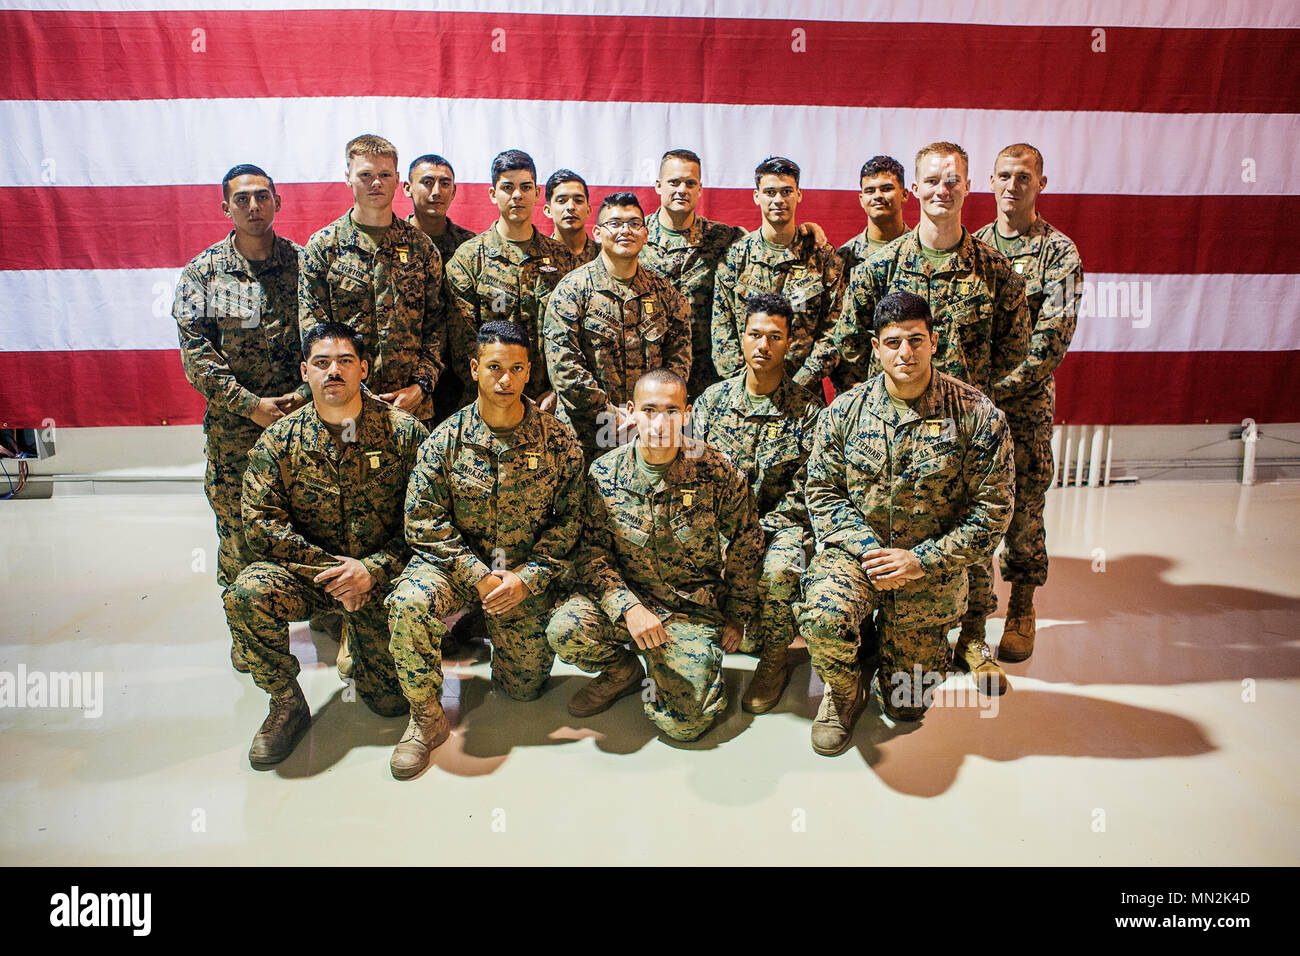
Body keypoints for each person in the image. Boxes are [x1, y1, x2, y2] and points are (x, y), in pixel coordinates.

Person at [831, 141, 1031, 693]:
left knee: (973, 529)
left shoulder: (994, 270)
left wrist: (979, 409)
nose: (943, 190)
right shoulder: (879, 268)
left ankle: (973, 638)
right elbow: (848, 342)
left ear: (968, 186)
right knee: (893, 521)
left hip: (964, 428)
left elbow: (1014, 351)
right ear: (914, 189)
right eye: (933, 181)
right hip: (891, 428)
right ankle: (881, 625)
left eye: (953, 180)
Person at [796, 292, 1014, 755]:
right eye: (893, 342)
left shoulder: (977, 415)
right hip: (859, 557)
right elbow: (822, 491)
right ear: (876, 348)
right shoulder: (844, 412)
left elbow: (993, 511)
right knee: (823, 616)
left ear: (934, 342)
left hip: (928, 567)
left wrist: (920, 560)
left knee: (906, 706)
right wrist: (869, 551)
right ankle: (844, 690)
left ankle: (887, 645)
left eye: (916, 340)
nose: (905, 353)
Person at [385, 320, 586, 779]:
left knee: (523, 689)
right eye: (494, 367)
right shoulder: (445, 439)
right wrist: (477, 575)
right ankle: (426, 719)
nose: (505, 379)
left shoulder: (558, 441)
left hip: (519, 574)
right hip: (457, 571)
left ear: (529, 371)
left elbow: (571, 522)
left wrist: (527, 578)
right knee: (409, 602)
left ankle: (489, 632)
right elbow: (422, 519)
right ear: (475, 369)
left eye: (516, 369)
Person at [224, 322, 428, 768]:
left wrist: (370, 569)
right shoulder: (279, 441)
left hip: (381, 582)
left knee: (390, 704)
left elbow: (428, 524)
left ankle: (361, 647)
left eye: (345, 361)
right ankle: (285, 704)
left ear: (364, 369)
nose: (333, 371)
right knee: (247, 591)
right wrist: (336, 574)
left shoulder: (405, 434)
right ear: (305, 371)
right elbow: (260, 526)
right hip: (315, 580)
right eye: (321, 363)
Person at [546, 369, 763, 741]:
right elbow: (592, 555)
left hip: (688, 610)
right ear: (631, 412)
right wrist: (628, 608)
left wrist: (737, 615)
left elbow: (747, 542)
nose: (660, 423)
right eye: (649, 410)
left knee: (686, 724)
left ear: (687, 414)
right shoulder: (604, 473)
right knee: (565, 629)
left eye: (671, 411)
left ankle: (668, 666)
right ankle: (623, 671)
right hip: (627, 602)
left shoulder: (717, 471)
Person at [173, 163, 305, 672]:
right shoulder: (203, 274)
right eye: (242, 198)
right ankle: (251, 638)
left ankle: (327, 617)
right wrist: (252, 406)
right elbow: (197, 356)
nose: (253, 206)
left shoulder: (303, 263)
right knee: (239, 534)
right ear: (225, 207)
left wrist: (301, 397)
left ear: (277, 202)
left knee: (310, 522)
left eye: (262, 196)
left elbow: (325, 335)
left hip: (302, 423)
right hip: (236, 434)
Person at [973, 143, 1084, 662]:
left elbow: (1053, 338)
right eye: (1004, 176)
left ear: (1041, 183)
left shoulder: (1059, 253)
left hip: (1025, 407)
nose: (1012, 185)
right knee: (970, 501)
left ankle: (1021, 606)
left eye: (1023, 177)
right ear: (990, 182)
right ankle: (973, 610)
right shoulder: (973, 246)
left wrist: (996, 390)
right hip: (972, 406)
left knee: (1024, 507)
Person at [690, 292, 822, 713]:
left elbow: (807, 491)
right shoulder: (712, 403)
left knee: (781, 568)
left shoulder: (808, 411)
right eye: (755, 334)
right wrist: (722, 531)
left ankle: (774, 660)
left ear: (789, 343)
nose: (763, 345)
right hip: (719, 524)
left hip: (779, 528)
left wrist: (753, 535)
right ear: (742, 338)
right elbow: (691, 474)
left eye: (774, 337)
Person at [299, 133, 447, 425]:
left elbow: (437, 328)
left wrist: (421, 386)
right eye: (365, 175)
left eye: (384, 174)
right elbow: (313, 332)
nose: (376, 183)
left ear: (397, 179)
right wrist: (355, 392)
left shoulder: (421, 248)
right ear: (348, 178)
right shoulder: (323, 247)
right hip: (343, 409)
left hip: (412, 410)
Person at [543, 192, 692, 459]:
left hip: (651, 434)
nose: (625, 230)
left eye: (634, 223)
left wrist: (649, 415)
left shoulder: (664, 293)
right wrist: (614, 416)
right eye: (615, 223)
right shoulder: (572, 290)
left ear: (645, 235)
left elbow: (679, 359)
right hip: (587, 437)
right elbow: (564, 368)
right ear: (597, 233)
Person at [445, 149, 577, 411]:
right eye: (508, 187)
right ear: (493, 194)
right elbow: (464, 344)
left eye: (525, 187)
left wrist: (558, 389)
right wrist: (506, 391)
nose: (517, 195)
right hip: (489, 402)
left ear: (537, 194)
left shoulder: (563, 258)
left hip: (550, 403)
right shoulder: (470, 258)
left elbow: (574, 334)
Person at [712, 156, 845, 391]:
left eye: (786, 192)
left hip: (804, 392)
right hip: (744, 393)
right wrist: (747, 385)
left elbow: (835, 329)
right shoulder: (735, 257)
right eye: (770, 192)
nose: (779, 200)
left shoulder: (822, 257)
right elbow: (722, 331)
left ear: (799, 194)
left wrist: (798, 384)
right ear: (756, 196)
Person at [640, 148, 746, 398]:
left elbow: (766, 244)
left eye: (690, 183)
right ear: (658, 186)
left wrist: (807, 230)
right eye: (674, 182)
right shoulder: (635, 235)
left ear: (699, 189)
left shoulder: (723, 237)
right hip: (648, 374)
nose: (682, 190)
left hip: (706, 377)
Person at [838, 155, 911, 275]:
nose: (877, 196)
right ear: (861, 199)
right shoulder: (844, 258)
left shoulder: (921, 250)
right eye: (870, 191)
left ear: (904, 195)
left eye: (886, 189)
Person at [544, 169, 599, 264]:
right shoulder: (535, 256)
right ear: (548, 211)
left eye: (578, 200)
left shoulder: (605, 255)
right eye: (561, 201)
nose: (571, 207)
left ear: (588, 210)